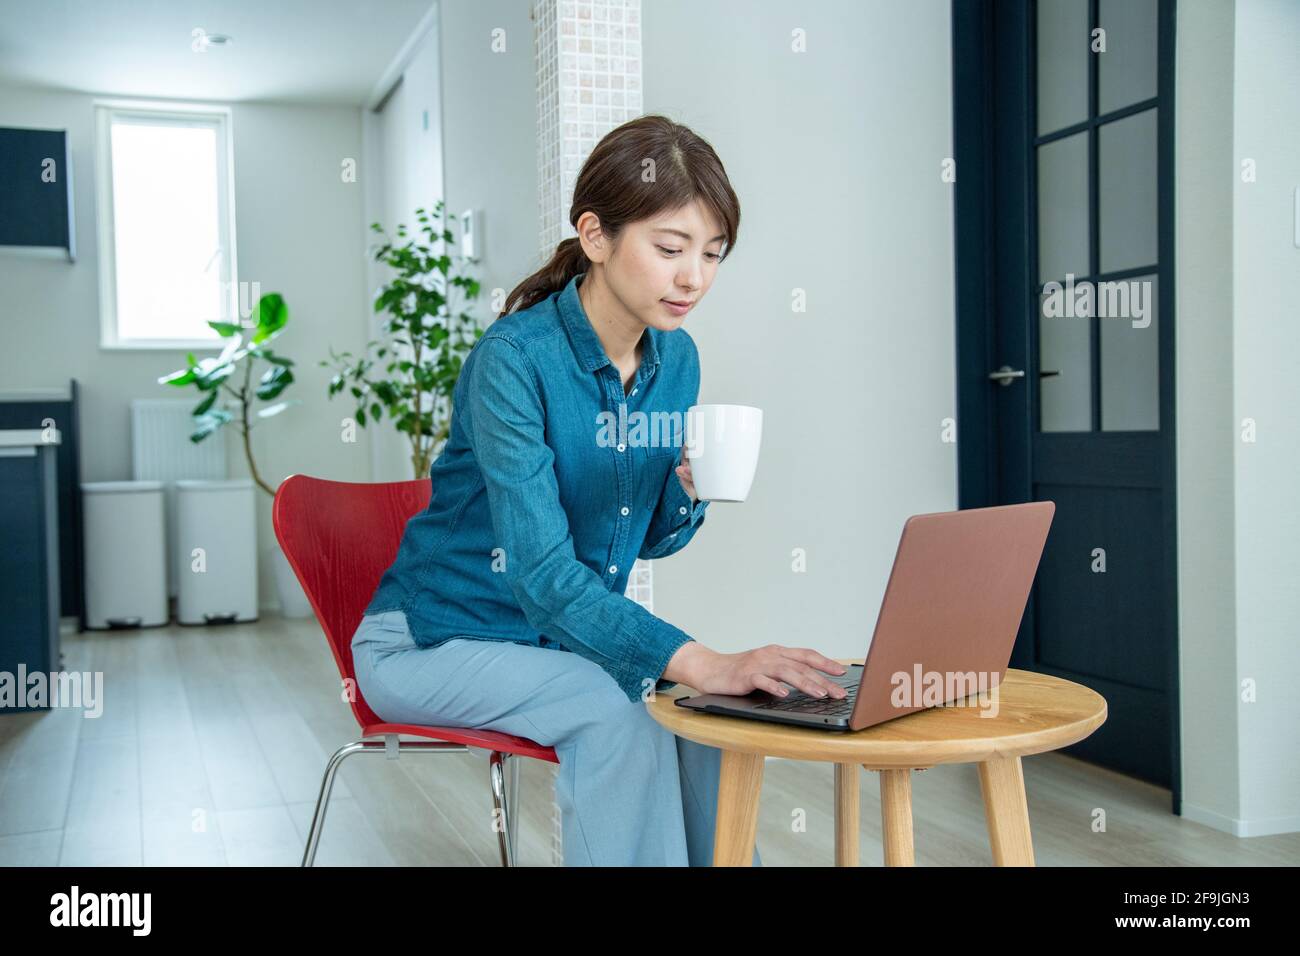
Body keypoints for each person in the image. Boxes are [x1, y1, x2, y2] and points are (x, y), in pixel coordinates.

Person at [351, 114, 847, 866]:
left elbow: (642, 536)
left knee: (705, 715)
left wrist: (686, 492)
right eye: (672, 248)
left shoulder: (675, 362)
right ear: (595, 236)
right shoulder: (514, 361)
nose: (694, 278)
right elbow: (545, 577)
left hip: (557, 643)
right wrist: (703, 656)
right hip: (433, 642)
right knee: (616, 715)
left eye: (713, 254)